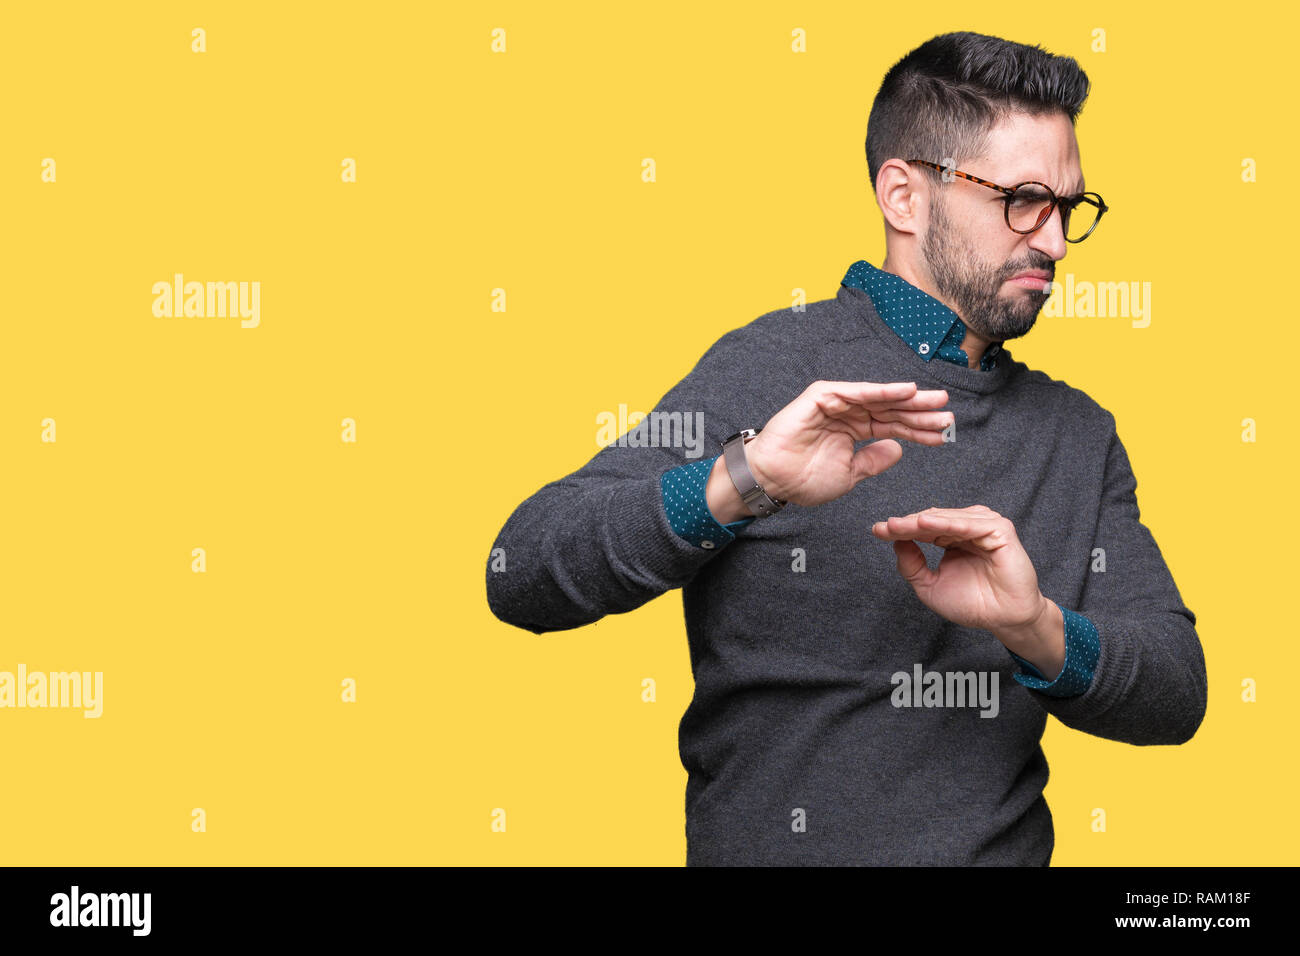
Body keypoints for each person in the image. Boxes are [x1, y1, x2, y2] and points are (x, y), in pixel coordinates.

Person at [485, 31, 1206, 866]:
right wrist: (742, 481)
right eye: (1023, 200)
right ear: (903, 195)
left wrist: (1036, 627)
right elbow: (521, 570)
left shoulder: (1077, 433)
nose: (1050, 241)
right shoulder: (768, 367)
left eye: (1069, 209)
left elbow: (1177, 693)